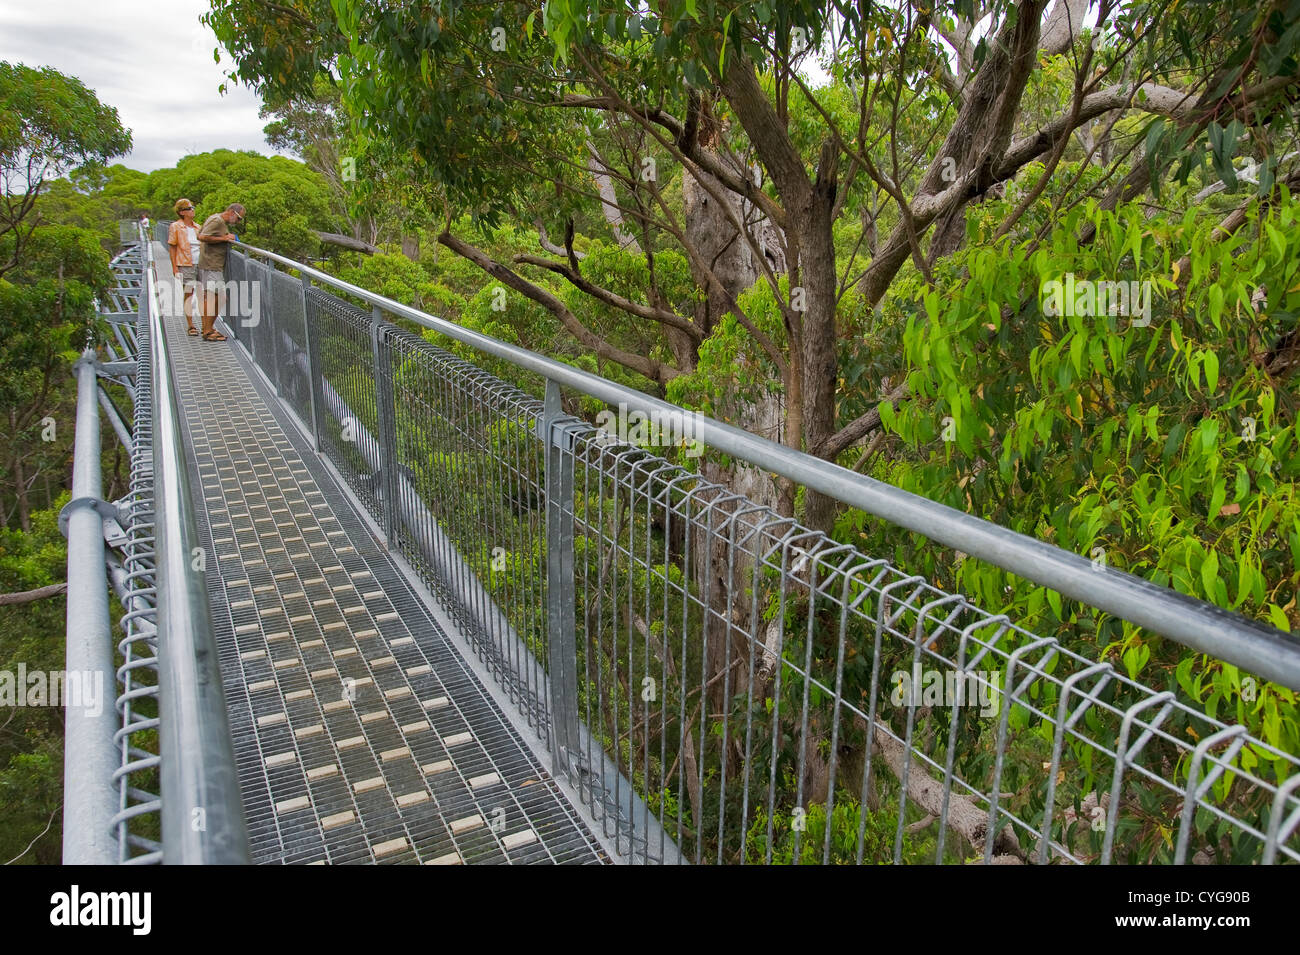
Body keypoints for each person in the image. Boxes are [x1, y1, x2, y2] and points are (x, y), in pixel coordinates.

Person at [196, 203, 245, 342]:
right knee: (219, 297)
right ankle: (207, 330)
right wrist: (224, 238)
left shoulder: (219, 221)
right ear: (231, 212)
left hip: (212, 264)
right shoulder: (217, 220)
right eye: (239, 218)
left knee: (214, 297)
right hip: (211, 264)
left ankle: (208, 328)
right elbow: (202, 236)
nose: (239, 221)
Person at [167, 199, 201, 335]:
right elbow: (172, 247)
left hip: (201, 263)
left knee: (203, 294)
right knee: (189, 294)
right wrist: (174, 268)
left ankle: (206, 326)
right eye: (189, 208)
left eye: (192, 207)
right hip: (186, 264)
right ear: (182, 212)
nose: (193, 209)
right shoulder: (175, 227)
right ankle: (191, 325)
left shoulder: (198, 227)